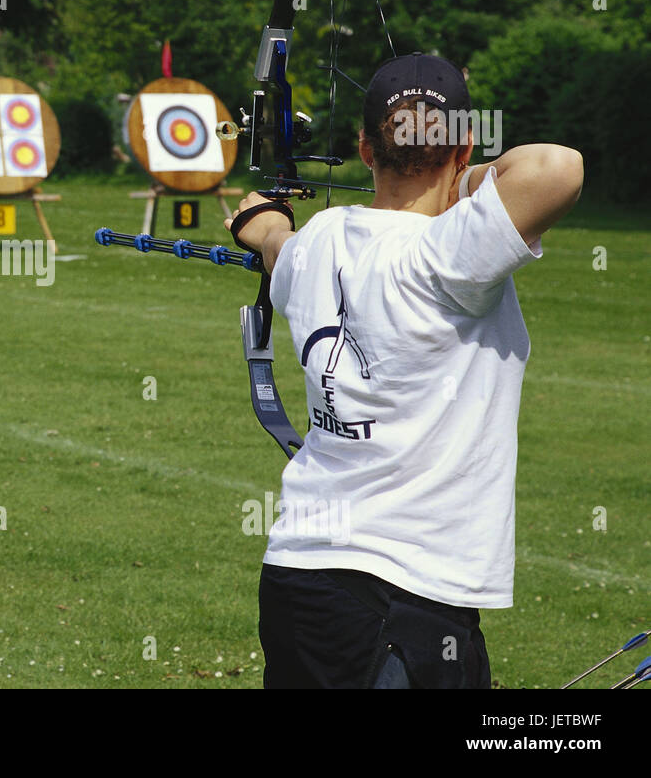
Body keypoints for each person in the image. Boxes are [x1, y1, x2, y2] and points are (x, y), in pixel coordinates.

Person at [224, 53, 584, 688]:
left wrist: (263, 224)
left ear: (364, 149)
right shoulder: (454, 253)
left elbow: (279, 245)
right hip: (404, 597)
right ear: (464, 146)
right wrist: (456, 177)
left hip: (298, 581)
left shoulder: (319, 239)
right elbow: (557, 167)